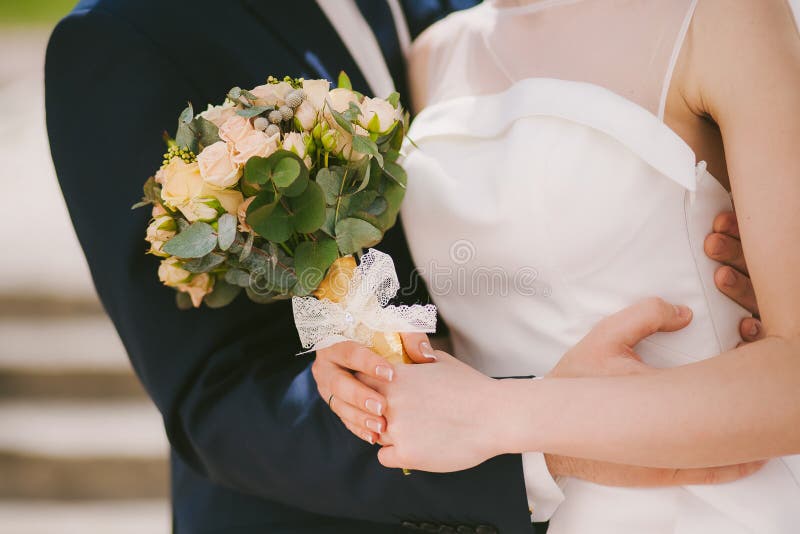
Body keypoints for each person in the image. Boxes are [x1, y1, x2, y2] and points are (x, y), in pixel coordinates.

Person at [46, 0, 766, 532]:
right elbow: (219, 390)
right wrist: (537, 443)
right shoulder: (124, 36)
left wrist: (728, 225)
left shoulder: (453, 17)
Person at [315, 0, 800, 532]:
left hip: (721, 502)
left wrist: (495, 414)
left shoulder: (724, 16)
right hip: (538, 512)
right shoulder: (431, 56)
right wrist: (379, 374)